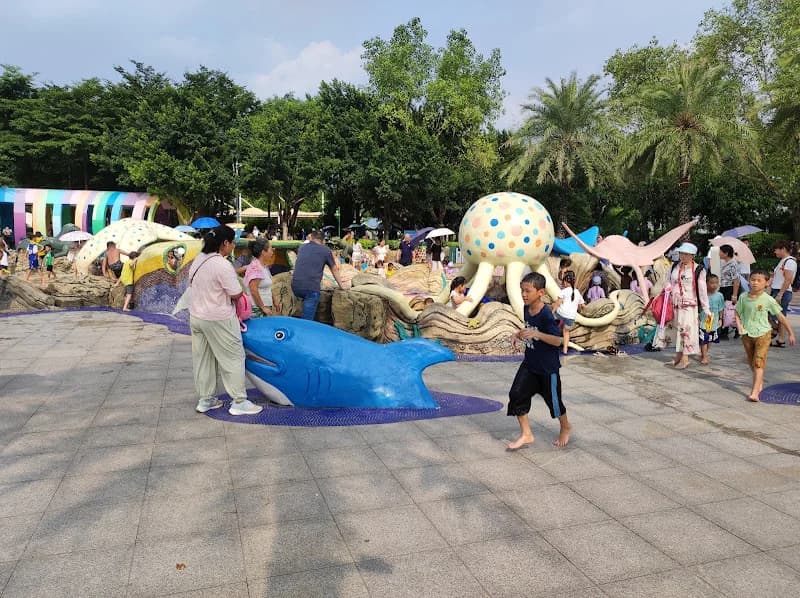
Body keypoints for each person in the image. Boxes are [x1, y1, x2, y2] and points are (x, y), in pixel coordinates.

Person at [188, 225, 262, 416]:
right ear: (225, 243)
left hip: (197, 317)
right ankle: (239, 401)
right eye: (232, 243)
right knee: (233, 358)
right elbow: (236, 293)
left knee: (203, 359)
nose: (233, 247)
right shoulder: (222, 264)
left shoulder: (198, 260)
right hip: (218, 318)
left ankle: (206, 400)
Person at [508, 271, 573, 449]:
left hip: (547, 368)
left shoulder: (546, 314)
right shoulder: (526, 308)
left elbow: (558, 340)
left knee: (554, 403)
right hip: (530, 364)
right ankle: (527, 434)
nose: (523, 294)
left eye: (528, 291)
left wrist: (537, 334)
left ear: (541, 292)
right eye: (522, 290)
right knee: (516, 395)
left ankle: (565, 426)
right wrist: (517, 334)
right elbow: (528, 329)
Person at [735, 269, 795, 401]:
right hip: (746, 334)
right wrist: (739, 326)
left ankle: (755, 392)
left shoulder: (768, 300)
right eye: (753, 280)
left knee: (758, 362)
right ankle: (759, 381)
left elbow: (781, 317)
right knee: (751, 362)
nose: (755, 283)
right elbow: (737, 313)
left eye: (759, 280)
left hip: (763, 334)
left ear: (767, 283)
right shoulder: (743, 297)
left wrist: (791, 333)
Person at [669, 242, 709, 369]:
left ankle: (685, 358)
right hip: (675, 304)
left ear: (693, 256)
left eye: (686, 254)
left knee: (686, 330)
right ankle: (678, 355)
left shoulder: (698, 269)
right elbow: (668, 282)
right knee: (677, 329)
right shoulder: (674, 266)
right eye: (681, 253)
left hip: (689, 306)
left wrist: (706, 308)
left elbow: (702, 290)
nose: (683, 256)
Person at [291, 230, 345, 320]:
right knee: (307, 320)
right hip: (310, 288)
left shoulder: (302, 247)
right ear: (322, 240)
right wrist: (341, 286)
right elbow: (334, 269)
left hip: (295, 286)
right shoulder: (325, 250)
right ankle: (305, 328)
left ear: (311, 237)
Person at [770, 240, 797, 347]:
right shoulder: (783, 261)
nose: (775, 252)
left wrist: (780, 294)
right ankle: (781, 339)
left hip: (782, 292)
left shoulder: (789, 262)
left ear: (783, 249)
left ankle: (776, 330)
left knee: (771, 312)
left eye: (776, 249)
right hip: (779, 290)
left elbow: (788, 280)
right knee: (781, 315)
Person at [244, 239, 281, 317]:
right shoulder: (255, 267)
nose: (272, 252)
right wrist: (263, 307)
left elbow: (268, 286)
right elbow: (253, 290)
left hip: (264, 307)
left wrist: (275, 301)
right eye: (271, 249)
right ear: (263, 252)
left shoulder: (263, 266)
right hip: (257, 309)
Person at [552, 270, 585, 354]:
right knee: (566, 332)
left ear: (566, 282)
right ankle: (565, 350)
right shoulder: (577, 292)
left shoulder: (564, 291)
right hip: (571, 317)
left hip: (561, 314)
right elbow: (582, 306)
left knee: (553, 305)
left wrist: (552, 312)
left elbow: (558, 303)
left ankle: (557, 327)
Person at [699, 274, 725, 365]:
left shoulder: (719, 295)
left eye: (716, 283)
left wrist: (721, 319)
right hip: (704, 319)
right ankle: (705, 356)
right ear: (706, 284)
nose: (714, 285)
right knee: (704, 338)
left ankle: (704, 352)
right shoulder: (702, 294)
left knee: (710, 339)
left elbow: (721, 308)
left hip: (713, 320)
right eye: (711, 283)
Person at [718, 244, 740, 340]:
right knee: (724, 309)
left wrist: (734, 295)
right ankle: (726, 330)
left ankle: (728, 331)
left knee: (728, 310)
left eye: (721, 252)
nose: (719, 253)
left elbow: (736, 280)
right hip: (722, 287)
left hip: (729, 288)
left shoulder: (733, 264)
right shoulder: (723, 262)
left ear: (726, 253)